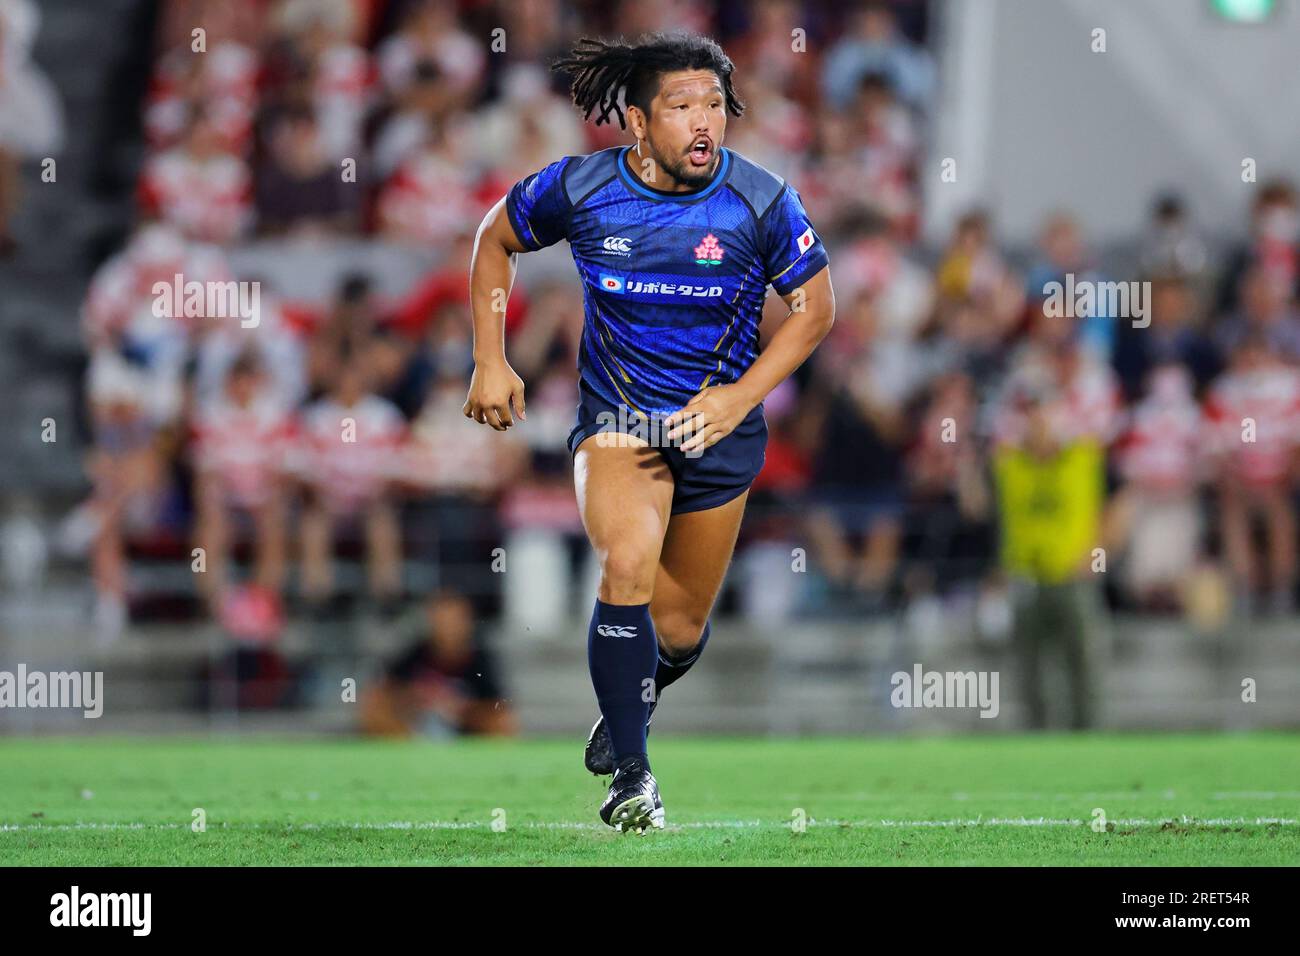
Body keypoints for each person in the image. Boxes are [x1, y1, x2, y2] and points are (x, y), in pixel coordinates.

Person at [462, 33, 835, 831]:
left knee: (679, 629)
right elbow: (494, 237)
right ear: (635, 120)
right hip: (620, 425)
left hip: (719, 432)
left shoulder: (764, 200)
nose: (705, 123)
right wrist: (490, 359)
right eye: (682, 106)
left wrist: (739, 397)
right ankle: (633, 777)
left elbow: (816, 311)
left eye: (714, 105)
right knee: (625, 563)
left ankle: (627, 705)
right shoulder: (582, 188)